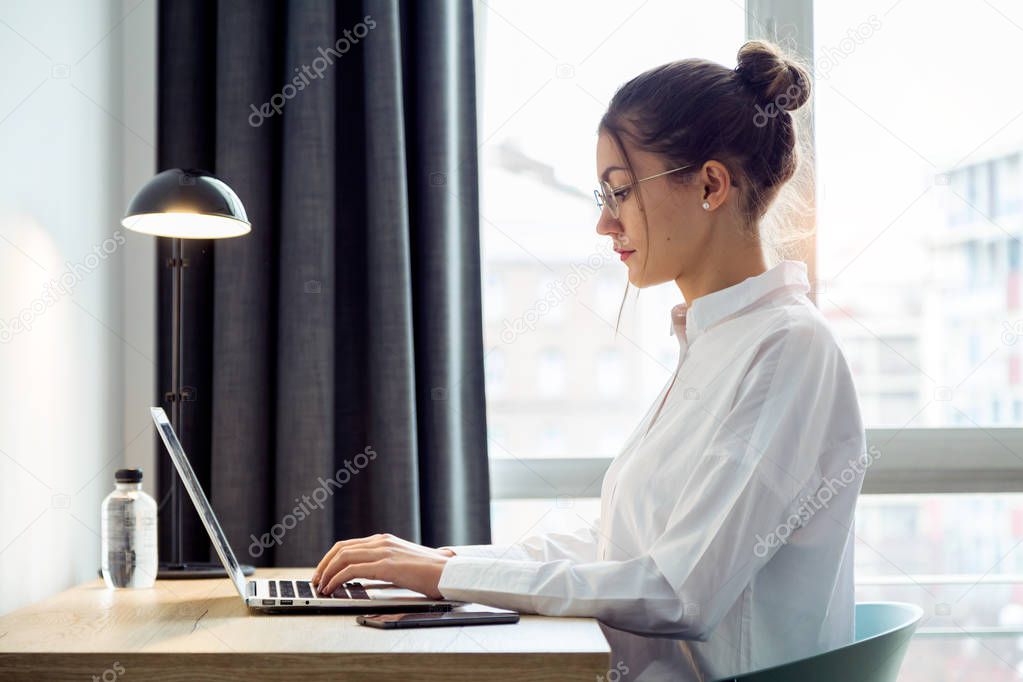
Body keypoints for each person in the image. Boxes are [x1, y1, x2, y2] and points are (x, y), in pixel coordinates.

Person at [311, 39, 869, 681]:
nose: (605, 225)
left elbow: (676, 591)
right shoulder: (719, 342)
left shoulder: (789, 350)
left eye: (621, 192)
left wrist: (451, 576)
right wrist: (446, 561)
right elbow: (620, 549)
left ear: (711, 184)